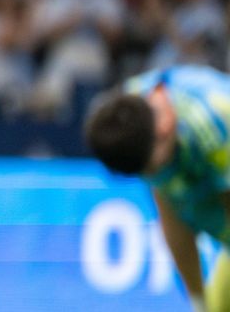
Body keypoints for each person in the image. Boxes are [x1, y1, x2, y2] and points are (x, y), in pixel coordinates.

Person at [85, 65, 230, 312]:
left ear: (163, 130)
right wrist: (199, 303)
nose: (155, 177)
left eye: (152, 168)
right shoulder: (129, 116)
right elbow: (173, 219)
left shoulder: (218, 121)